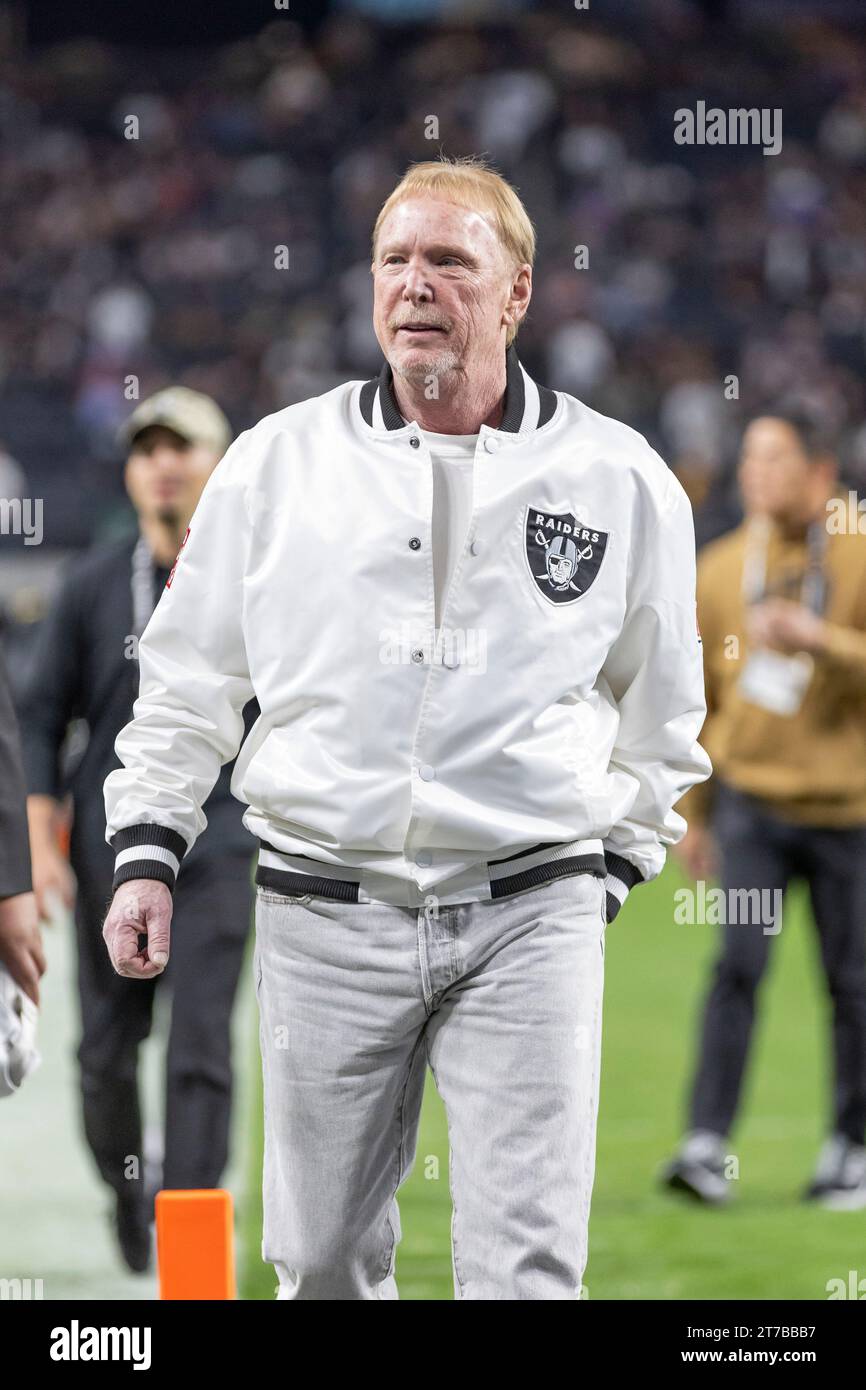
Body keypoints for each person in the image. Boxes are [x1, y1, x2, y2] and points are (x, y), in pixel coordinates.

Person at [102, 156, 710, 1300]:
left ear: (516, 291)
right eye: (394, 260)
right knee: (321, 1262)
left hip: (529, 912)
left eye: (447, 260)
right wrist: (147, 849)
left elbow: (664, 715)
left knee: (523, 1269)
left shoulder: (617, 478)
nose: (414, 285)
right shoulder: (276, 464)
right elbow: (185, 682)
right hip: (320, 908)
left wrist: (603, 874)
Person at [19, 388, 257, 1272]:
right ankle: (129, 1192)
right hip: (105, 852)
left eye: (182, 447)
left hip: (221, 842)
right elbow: (41, 718)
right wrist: (40, 843)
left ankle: (193, 1264)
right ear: (130, 472)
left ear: (219, 467)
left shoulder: (255, 582)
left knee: (201, 1052)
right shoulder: (90, 584)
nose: (163, 462)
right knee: (104, 1057)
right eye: (147, 448)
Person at [663, 411, 866, 1209]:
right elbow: (702, 702)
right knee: (737, 966)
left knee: (853, 984)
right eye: (749, 456)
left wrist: (821, 640)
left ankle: (850, 1146)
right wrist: (695, 811)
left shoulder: (858, 548)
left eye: (775, 458)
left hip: (849, 809)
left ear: (821, 471)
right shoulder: (718, 569)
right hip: (752, 806)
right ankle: (705, 1144)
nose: (756, 473)